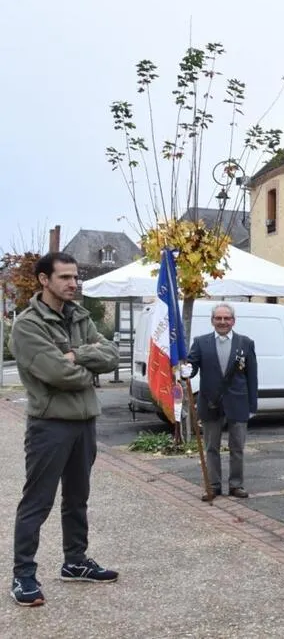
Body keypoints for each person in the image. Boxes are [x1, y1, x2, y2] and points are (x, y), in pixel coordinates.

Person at [8, 252, 121, 607]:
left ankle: (75, 561)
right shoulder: (28, 326)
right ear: (44, 280)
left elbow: (112, 355)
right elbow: (59, 374)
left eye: (75, 277)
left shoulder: (78, 315)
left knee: (77, 498)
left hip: (84, 422)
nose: (73, 283)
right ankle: (23, 575)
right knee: (37, 501)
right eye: (65, 277)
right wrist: (87, 365)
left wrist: (75, 354)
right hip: (50, 425)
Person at [184, 303, 258, 501]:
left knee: (237, 448)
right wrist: (186, 371)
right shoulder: (201, 342)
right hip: (210, 402)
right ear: (212, 321)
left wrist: (252, 405)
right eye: (218, 318)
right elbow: (192, 367)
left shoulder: (246, 343)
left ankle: (236, 485)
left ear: (233, 321)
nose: (222, 322)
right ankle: (213, 486)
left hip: (238, 403)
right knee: (211, 447)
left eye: (226, 318)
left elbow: (252, 376)